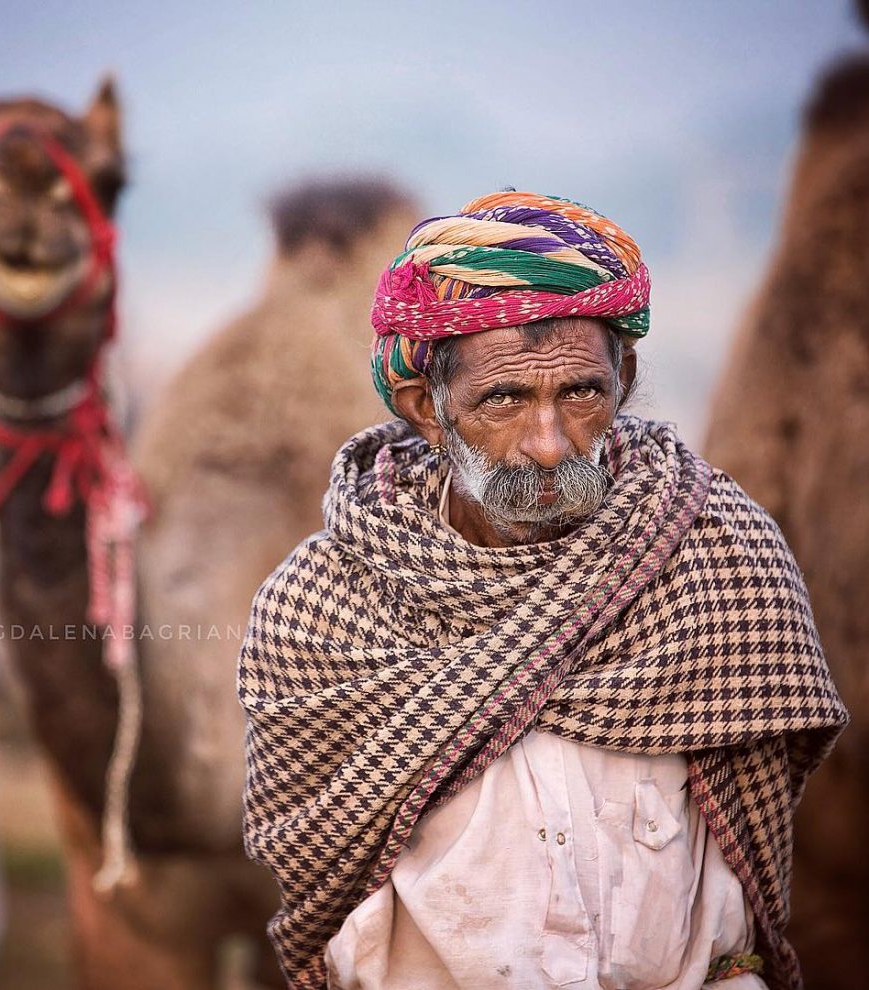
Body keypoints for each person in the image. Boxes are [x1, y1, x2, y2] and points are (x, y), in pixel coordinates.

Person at [238, 191, 847, 990]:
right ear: (428, 410)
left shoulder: (720, 560)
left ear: (624, 379)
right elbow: (309, 876)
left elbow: (765, 842)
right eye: (504, 400)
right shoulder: (322, 607)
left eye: (582, 393)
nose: (551, 444)